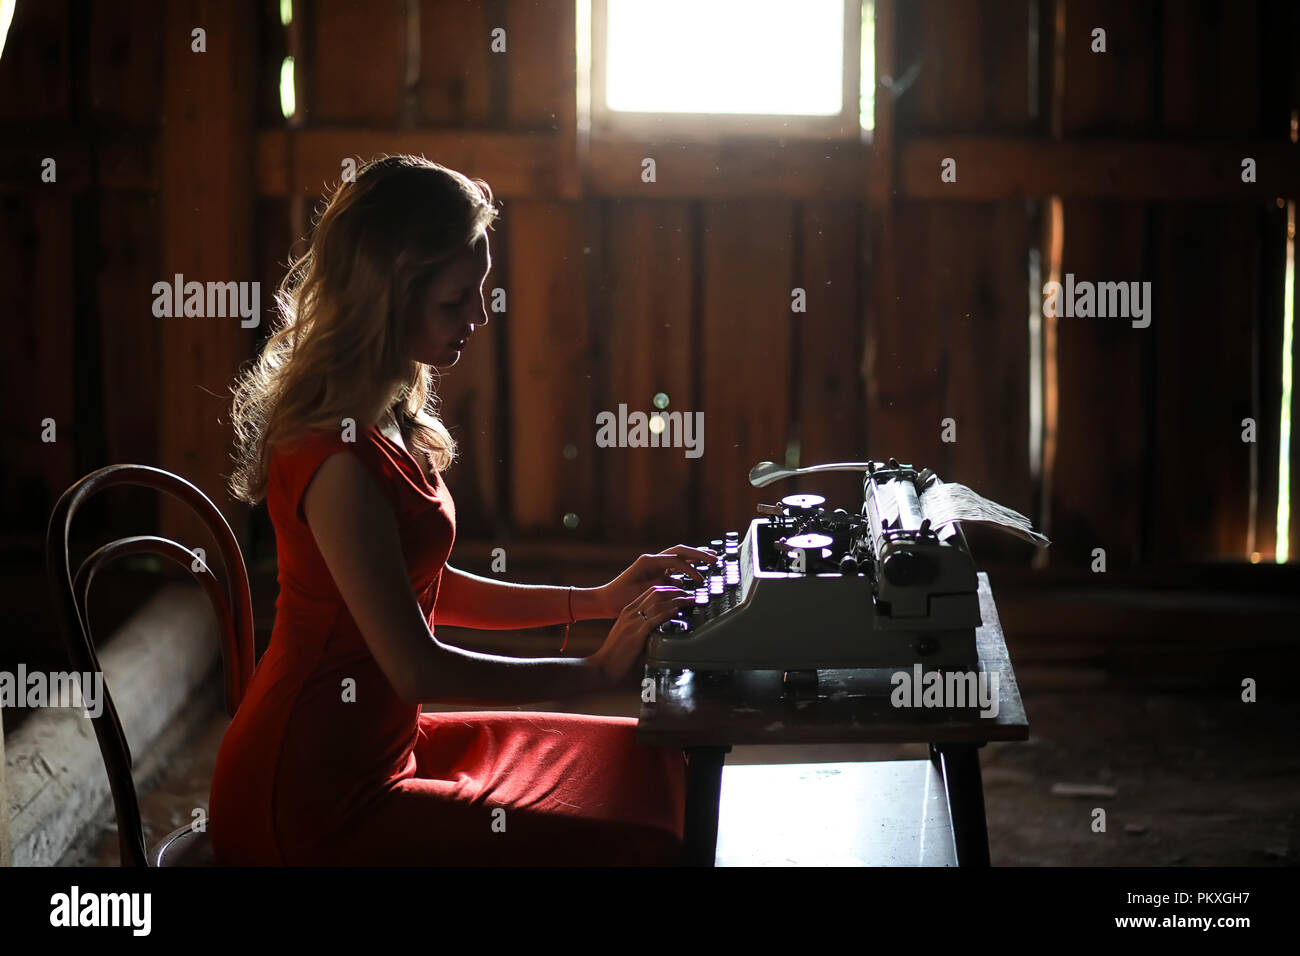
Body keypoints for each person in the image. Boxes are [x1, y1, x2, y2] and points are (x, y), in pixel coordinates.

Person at [211, 155, 711, 865]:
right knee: (633, 832)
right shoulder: (337, 462)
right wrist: (594, 674)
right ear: (385, 296)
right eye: (455, 301)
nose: (479, 316)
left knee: (651, 764)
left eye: (479, 291)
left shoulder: (382, 411)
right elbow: (420, 670)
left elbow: (420, 589)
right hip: (311, 797)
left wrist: (595, 599)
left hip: (384, 746)